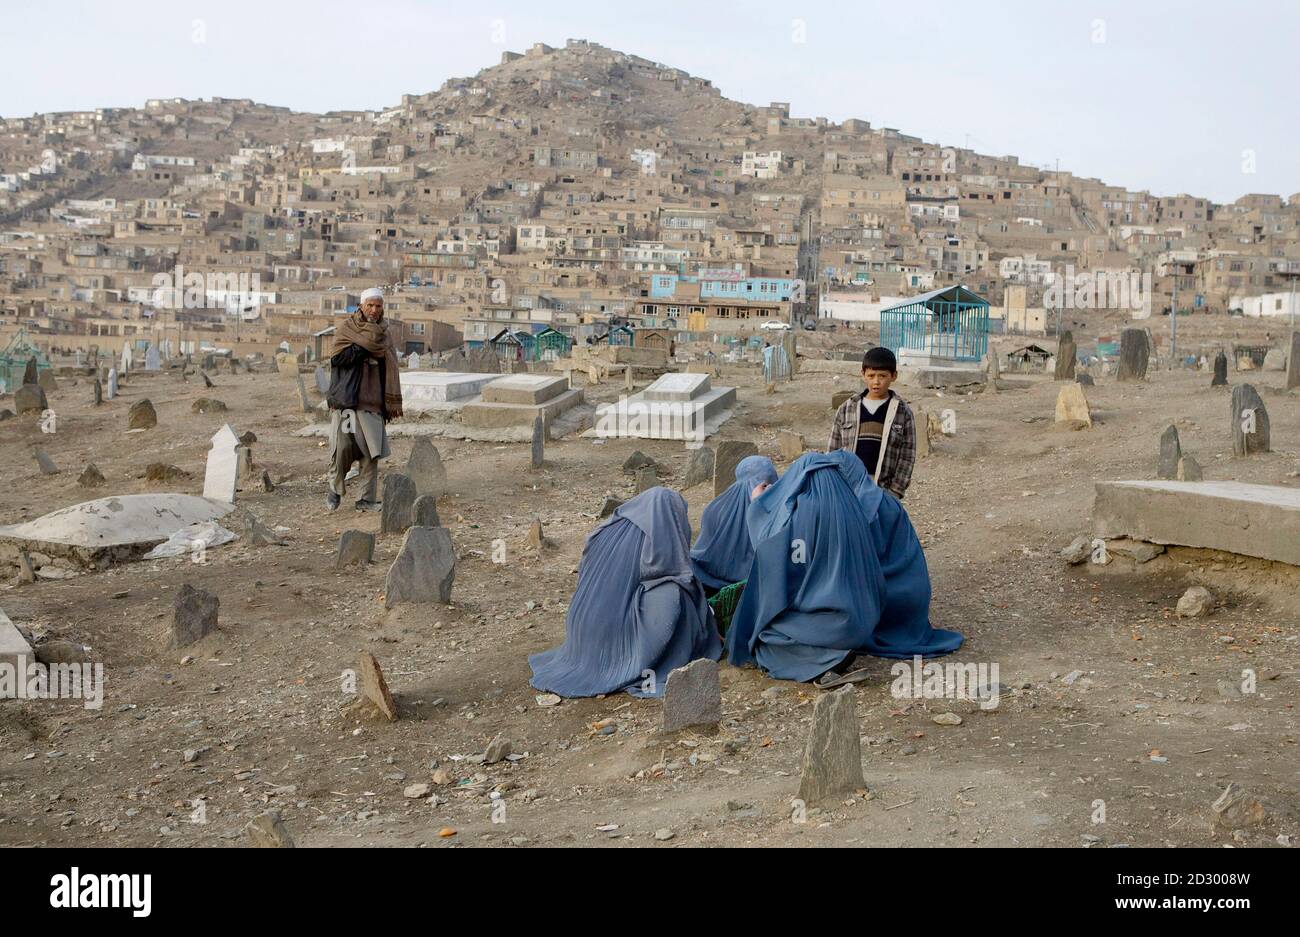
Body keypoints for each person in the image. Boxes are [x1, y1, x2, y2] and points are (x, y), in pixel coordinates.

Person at [725, 450, 961, 685]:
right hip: (884, 608)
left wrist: (757, 507)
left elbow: (776, 559)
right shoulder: (864, 510)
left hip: (843, 621)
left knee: (767, 636)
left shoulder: (809, 515)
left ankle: (824, 660)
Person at [529, 487, 721, 699]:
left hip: (580, 633)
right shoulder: (660, 531)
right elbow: (675, 572)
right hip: (614, 642)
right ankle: (647, 659)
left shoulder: (608, 529)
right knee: (677, 592)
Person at [325, 287, 403, 512]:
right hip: (348, 402)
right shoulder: (347, 329)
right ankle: (335, 488)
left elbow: (390, 368)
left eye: (378, 306)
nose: (374, 310)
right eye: (370, 305)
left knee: (371, 453)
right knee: (342, 449)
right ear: (361, 306)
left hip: (373, 403)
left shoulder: (384, 334)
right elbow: (337, 359)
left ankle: (365, 499)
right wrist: (363, 348)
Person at [828, 346, 916, 499]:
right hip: (848, 488)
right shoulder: (846, 408)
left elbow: (907, 456)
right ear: (863, 374)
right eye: (871, 375)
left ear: (894, 376)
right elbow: (833, 450)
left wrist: (894, 492)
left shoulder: (902, 412)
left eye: (882, 376)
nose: (876, 382)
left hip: (883, 491)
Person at [690, 455, 778, 593]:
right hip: (755, 588)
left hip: (710, 585)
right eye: (766, 483)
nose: (772, 487)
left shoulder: (715, 507)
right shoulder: (774, 509)